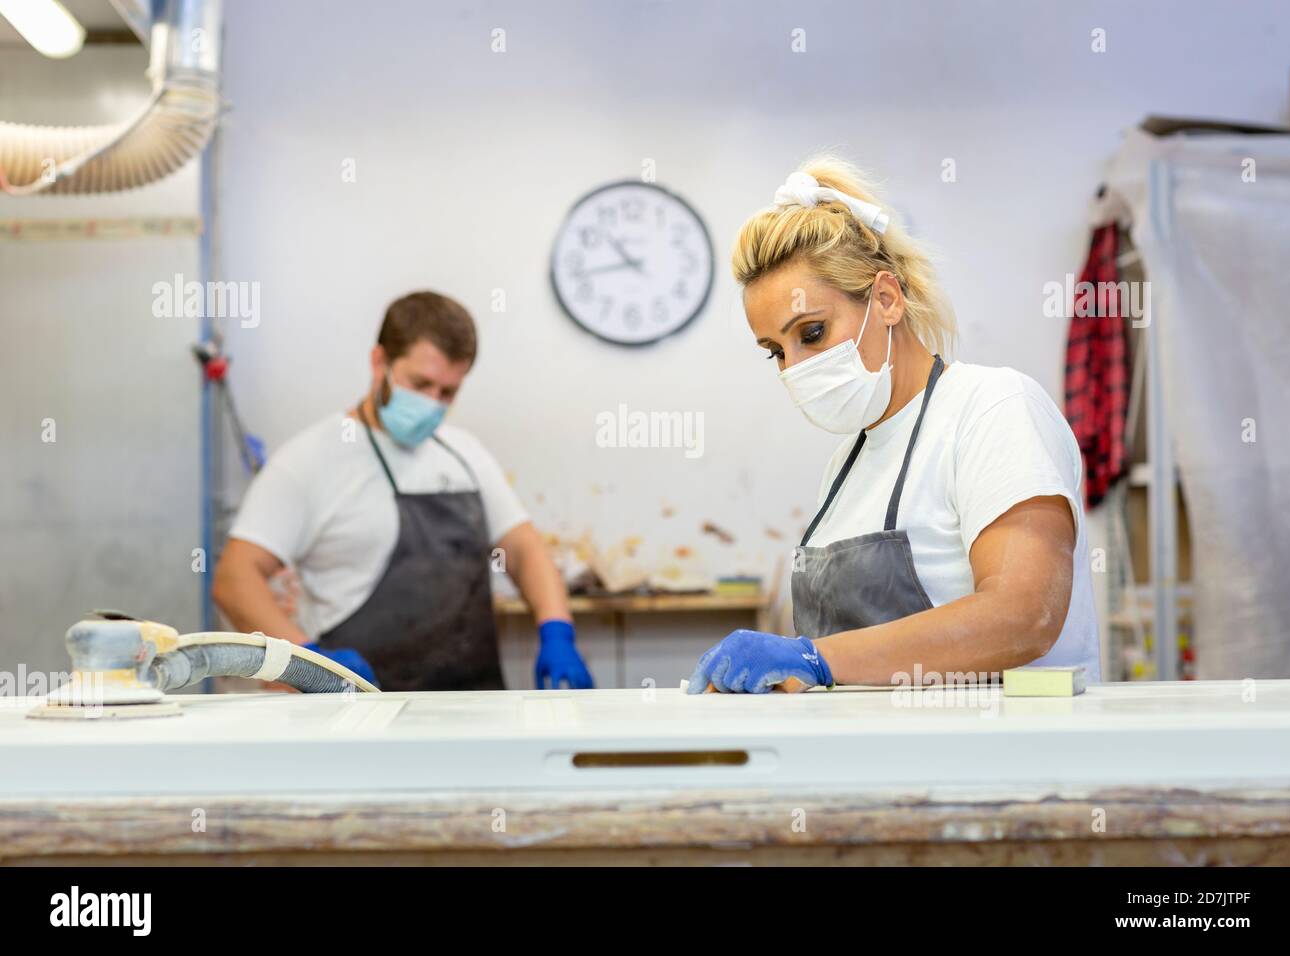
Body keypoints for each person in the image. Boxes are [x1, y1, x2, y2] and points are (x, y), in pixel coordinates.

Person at [688, 159, 1099, 694]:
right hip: (879, 766)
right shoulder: (848, 463)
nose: (794, 368)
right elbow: (855, 665)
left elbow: (1024, 615)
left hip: (996, 763)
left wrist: (815, 659)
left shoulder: (992, 407)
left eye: (810, 333)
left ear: (885, 299)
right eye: (775, 352)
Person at [213, 291, 593, 691]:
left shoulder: (465, 454)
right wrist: (308, 660)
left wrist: (557, 632)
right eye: (420, 384)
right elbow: (235, 577)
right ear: (380, 362)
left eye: (447, 393)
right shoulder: (308, 461)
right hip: (358, 716)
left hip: (472, 709)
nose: (432, 403)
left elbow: (522, 548)